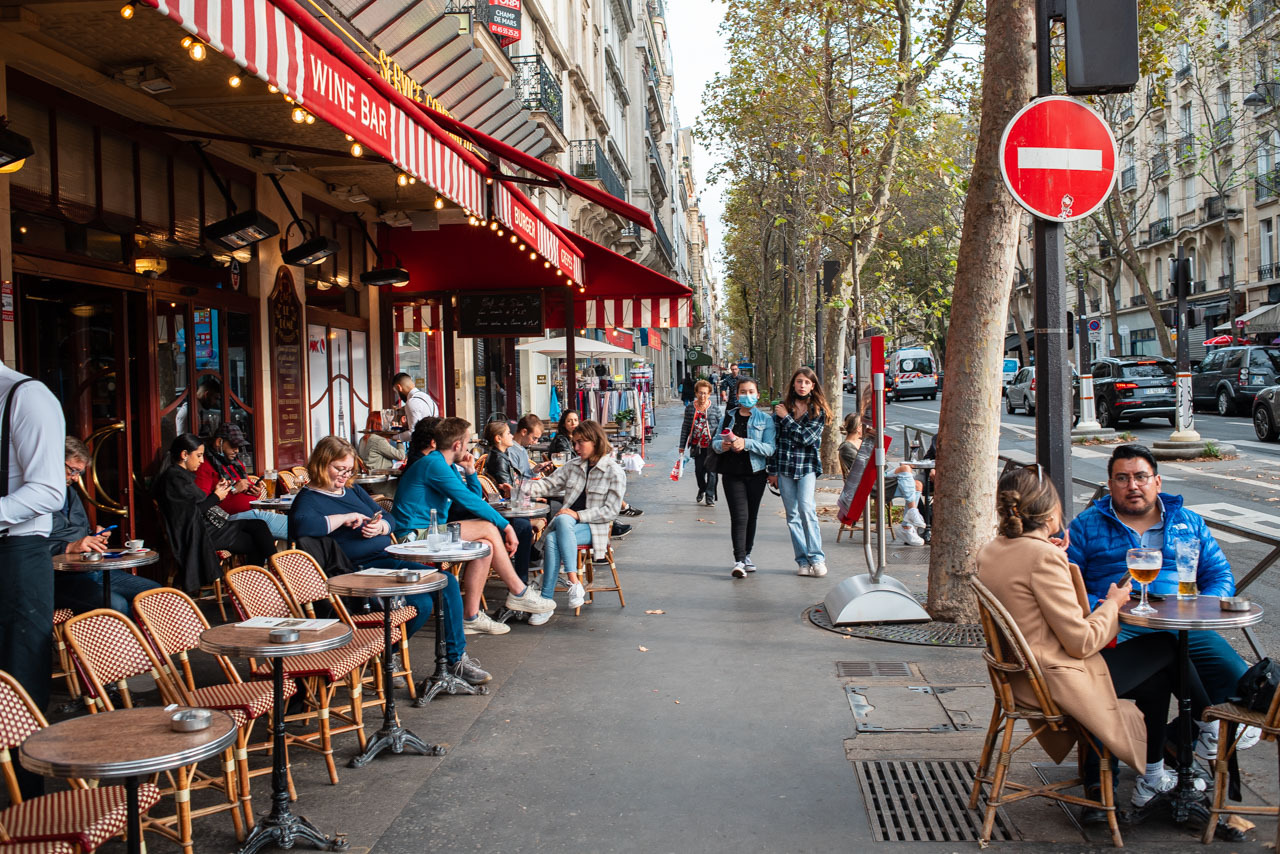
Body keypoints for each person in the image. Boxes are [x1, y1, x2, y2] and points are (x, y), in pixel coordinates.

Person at [979, 465, 1212, 809]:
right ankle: (1207, 726)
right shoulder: (1042, 558)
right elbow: (1082, 642)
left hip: (1019, 677)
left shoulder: (996, 549)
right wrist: (1114, 604)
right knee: (1165, 645)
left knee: (1158, 676)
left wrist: (1058, 558)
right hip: (1055, 683)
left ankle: (1154, 772)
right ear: (1050, 508)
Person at [1067, 443, 1259, 758]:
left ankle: (1181, 739)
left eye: (1141, 477)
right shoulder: (1087, 524)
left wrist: (1203, 607)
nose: (1132, 486)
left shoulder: (1189, 521)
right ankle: (1108, 781)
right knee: (1107, 688)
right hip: (1120, 625)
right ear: (1110, 484)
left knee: (1238, 679)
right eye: (1122, 478)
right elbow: (1068, 583)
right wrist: (1103, 605)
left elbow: (1220, 574)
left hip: (1180, 624)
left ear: (1157, 481)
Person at [287, 436, 488, 685]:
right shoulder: (309, 498)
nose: (344, 475)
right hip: (356, 573)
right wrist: (344, 517)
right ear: (321, 463)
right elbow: (303, 524)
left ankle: (450, 660)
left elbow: (388, 517)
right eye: (339, 469)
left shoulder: (351, 489)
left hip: (385, 559)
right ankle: (392, 656)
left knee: (436, 590)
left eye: (348, 470)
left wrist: (380, 526)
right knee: (434, 591)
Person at [391, 417, 555, 635]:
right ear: (457, 445)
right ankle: (518, 591)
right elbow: (471, 503)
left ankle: (471, 617)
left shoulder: (441, 462)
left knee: (484, 547)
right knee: (488, 529)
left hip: (429, 533)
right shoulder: (434, 464)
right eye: (467, 442)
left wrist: (470, 472)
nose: (469, 447)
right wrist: (506, 527)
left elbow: (471, 497)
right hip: (412, 538)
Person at [0, 364, 64, 799]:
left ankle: (25, 803)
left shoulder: (26, 396)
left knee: (19, 676)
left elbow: (47, 490)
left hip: (16, 554)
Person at [526, 420, 626, 622]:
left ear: (596, 441)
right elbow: (548, 484)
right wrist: (521, 489)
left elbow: (611, 511)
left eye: (581, 442)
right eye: (575, 443)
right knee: (560, 525)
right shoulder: (574, 466)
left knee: (561, 522)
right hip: (568, 526)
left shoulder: (614, 471)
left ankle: (546, 601)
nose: (576, 448)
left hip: (595, 528)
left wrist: (578, 515)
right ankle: (574, 584)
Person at [153, 434, 276, 592]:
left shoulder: (180, 476)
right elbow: (189, 515)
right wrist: (216, 496)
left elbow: (195, 505)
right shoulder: (174, 479)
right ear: (184, 455)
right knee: (257, 541)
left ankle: (259, 584)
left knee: (259, 526)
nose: (202, 461)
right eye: (198, 456)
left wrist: (219, 491)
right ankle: (263, 584)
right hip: (198, 533)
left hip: (210, 526)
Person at [52, 438, 159, 614]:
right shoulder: (35, 498)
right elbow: (27, 547)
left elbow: (81, 531)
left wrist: (94, 536)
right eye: (72, 471)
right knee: (116, 605)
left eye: (79, 472)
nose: (75, 478)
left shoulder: (70, 493)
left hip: (91, 569)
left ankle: (146, 641)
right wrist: (69, 547)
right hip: (60, 579)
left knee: (153, 593)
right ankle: (119, 641)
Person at [711, 377, 776, 579]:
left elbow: (769, 448)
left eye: (750, 392)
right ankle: (738, 560)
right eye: (742, 392)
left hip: (756, 474)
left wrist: (745, 443)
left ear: (757, 395)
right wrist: (721, 446)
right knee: (739, 517)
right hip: (732, 474)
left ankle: (747, 554)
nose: (746, 396)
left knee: (751, 517)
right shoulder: (728, 417)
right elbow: (714, 441)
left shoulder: (766, 420)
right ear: (736, 394)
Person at [769, 367, 829, 577]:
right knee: (792, 515)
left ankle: (817, 558)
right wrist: (772, 470)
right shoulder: (781, 408)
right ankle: (802, 560)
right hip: (784, 467)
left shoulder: (817, 411)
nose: (802, 386)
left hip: (807, 467)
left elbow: (806, 438)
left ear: (813, 386)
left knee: (806, 509)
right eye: (799, 381)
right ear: (793, 384)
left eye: (807, 382)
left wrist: (786, 418)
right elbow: (774, 440)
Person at [193, 423, 288, 540]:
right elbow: (205, 505)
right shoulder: (204, 466)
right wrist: (233, 490)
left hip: (252, 513)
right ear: (219, 442)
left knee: (298, 523)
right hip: (232, 518)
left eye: (239, 446)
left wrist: (255, 491)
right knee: (296, 527)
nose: (236, 450)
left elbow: (246, 488)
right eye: (233, 446)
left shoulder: (236, 464)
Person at [678, 380, 722, 507]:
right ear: (696, 393)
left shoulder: (714, 409)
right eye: (700, 393)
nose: (702, 396)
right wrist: (682, 446)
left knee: (712, 472)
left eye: (705, 393)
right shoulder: (690, 408)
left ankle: (710, 496)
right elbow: (685, 427)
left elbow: (721, 427)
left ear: (709, 394)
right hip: (697, 446)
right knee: (699, 471)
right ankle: (702, 488)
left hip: (712, 446)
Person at [391, 372, 439, 443]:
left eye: (396, 392)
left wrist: (392, 438)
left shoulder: (412, 402)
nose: (399, 396)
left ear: (399, 387)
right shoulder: (427, 398)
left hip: (422, 447)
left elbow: (413, 433)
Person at [892, 462, 927, 546]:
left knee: (917, 485)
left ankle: (907, 526)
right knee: (905, 468)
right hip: (874, 476)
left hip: (881, 470)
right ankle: (908, 523)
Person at [482, 421, 518, 497]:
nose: (512, 436)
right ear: (498, 438)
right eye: (508, 433)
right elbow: (507, 490)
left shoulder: (497, 455)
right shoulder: (499, 460)